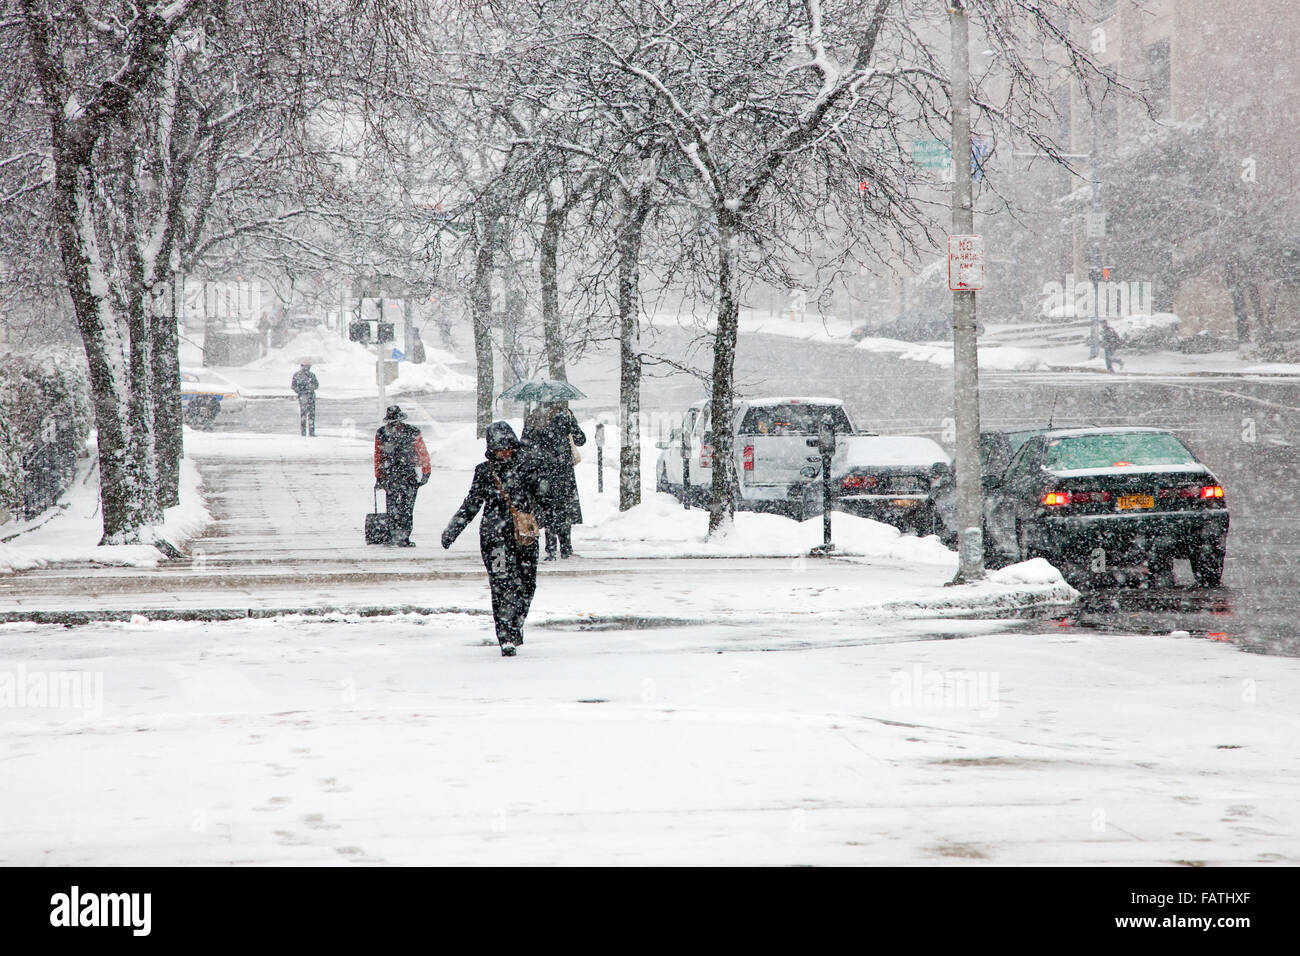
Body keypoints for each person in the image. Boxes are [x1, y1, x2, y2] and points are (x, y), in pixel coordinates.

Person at [441, 422, 543, 656]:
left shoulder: (528, 467)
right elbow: (471, 504)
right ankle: (505, 636)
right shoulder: (485, 472)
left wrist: (541, 520)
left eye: (508, 447)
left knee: (527, 584)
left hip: (524, 538)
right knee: (502, 585)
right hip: (494, 539)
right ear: (491, 449)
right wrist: (452, 530)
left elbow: (545, 499)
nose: (504, 452)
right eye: (499, 448)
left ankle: (516, 626)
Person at [521, 400, 586, 560]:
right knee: (563, 510)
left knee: (548, 509)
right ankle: (566, 548)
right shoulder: (565, 416)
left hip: (543, 472)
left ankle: (550, 549)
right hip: (563, 472)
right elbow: (580, 439)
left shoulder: (533, 418)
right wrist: (570, 422)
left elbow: (524, 444)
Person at [374, 405, 431, 547]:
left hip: (395, 475)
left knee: (397, 506)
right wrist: (426, 471)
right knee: (403, 507)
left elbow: (378, 457)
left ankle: (398, 536)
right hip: (404, 475)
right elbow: (422, 453)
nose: (395, 425)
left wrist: (379, 475)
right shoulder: (412, 432)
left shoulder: (382, 433)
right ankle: (400, 536)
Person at [291, 362, 319, 436]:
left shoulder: (312, 375)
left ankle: (311, 432)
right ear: (302, 366)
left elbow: (316, 385)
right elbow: (293, 386)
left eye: (309, 366)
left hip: (310, 397)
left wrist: (312, 387)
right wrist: (300, 391)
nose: (307, 368)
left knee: (311, 415)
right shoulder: (297, 375)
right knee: (304, 415)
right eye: (306, 366)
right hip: (303, 397)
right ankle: (304, 432)